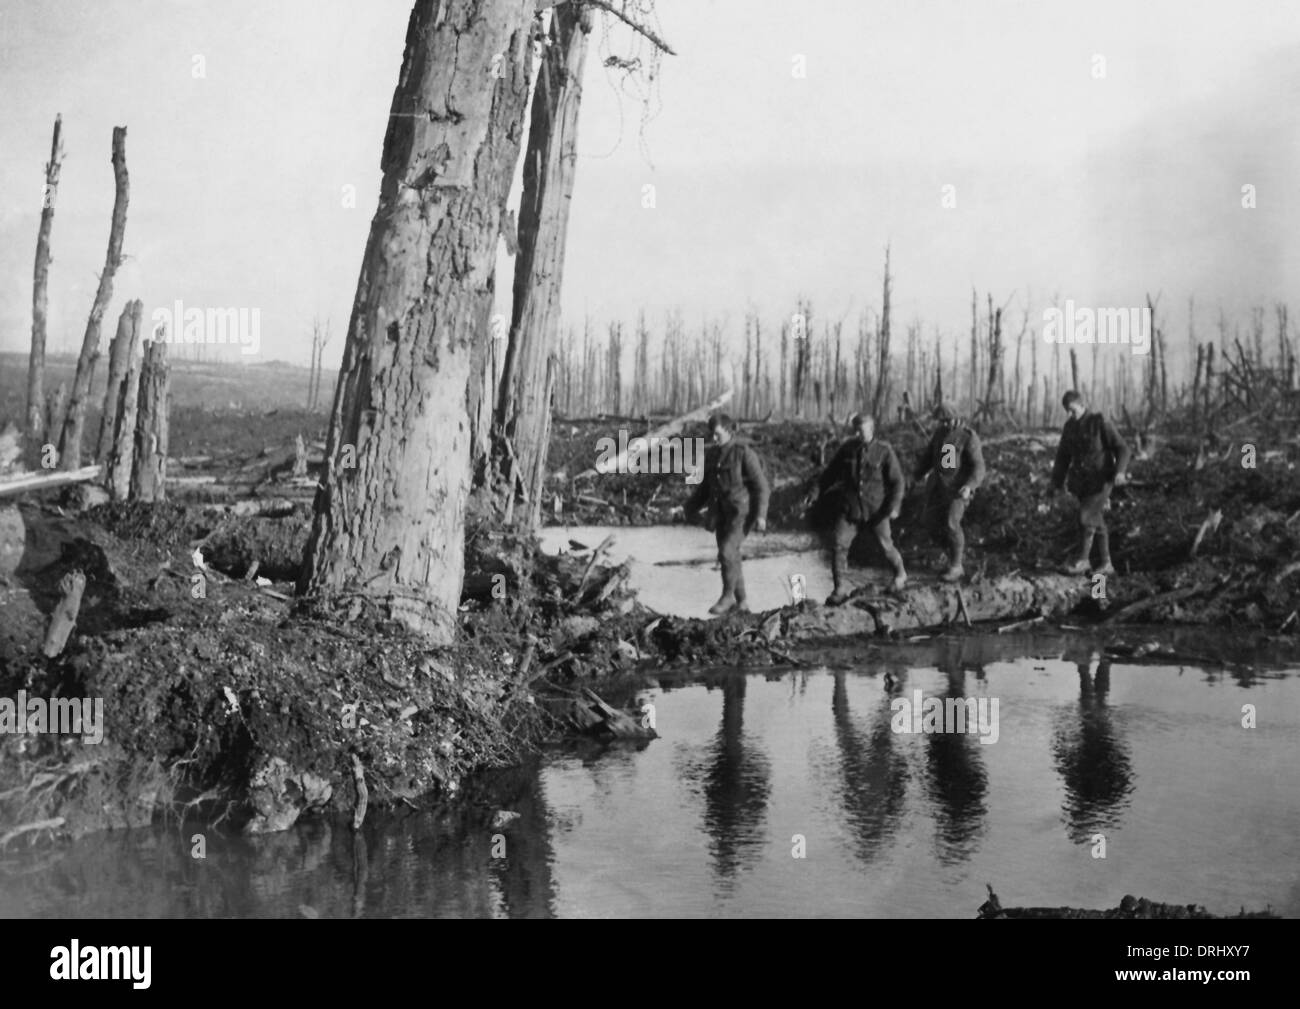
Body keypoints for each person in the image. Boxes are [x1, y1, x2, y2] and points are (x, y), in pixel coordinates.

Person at [683, 414, 770, 615]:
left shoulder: (743, 453)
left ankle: (727, 596)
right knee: (730, 556)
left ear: (729, 432)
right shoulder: (713, 455)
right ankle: (743, 602)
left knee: (727, 551)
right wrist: (690, 507)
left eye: (717, 434)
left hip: (742, 513)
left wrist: (761, 515)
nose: (713, 438)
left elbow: (762, 487)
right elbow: (706, 488)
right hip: (720, 514)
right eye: (711, 434)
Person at [817, 412, 907, 605]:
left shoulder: (884, 451)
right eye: (856, 430)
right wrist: (815, 492)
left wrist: (894, 507)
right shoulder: (847, 450)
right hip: (850, 509)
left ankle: (900, 575)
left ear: (871, 430)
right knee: (838, 545)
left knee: (885, 546)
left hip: (876, 509)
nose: (859, 434)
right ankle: (839, 589)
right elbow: (829, 475)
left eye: (863, 430)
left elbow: (897, 481)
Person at [1049, 390, 1131, 575]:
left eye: (1072, 410)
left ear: (1081, 405)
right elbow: (1063, 457)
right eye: (1066, 411)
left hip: (1102, 480)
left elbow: (1122, 448)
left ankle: (1083, 560)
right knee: (1095, 519)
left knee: (1085, 516)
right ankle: (1105, 565)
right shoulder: (1069, 427)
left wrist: (1120, 472)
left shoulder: (1098, 422)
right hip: (1082, 482)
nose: (1070, 415)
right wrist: (1056, 482)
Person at [913, 404, 985, 582]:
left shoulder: (968, 437)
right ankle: (952, 553)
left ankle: (956, 566)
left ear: (958, 418)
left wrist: (970, 486)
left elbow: (979, 466)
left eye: (949, 420)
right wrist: (915, 476)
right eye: (942, 421)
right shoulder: (939, 434)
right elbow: (928, 458)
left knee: (952, 523)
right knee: (928, 521)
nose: (946, 424)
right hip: (938, 487)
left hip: (958, 490)